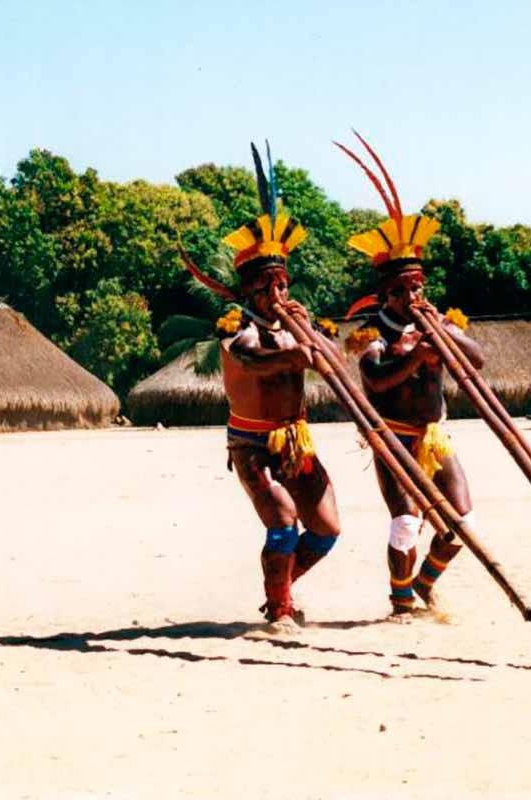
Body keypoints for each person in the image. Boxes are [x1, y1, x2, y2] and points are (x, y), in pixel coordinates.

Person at [180, 142, 340, 635]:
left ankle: (280, 592)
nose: (278, 295)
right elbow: (257, 360)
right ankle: (280, 612)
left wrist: (312, 338)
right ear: (249, 290)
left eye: (283, 285)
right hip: (251, 443)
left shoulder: (301, 324)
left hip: (296, 441)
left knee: (327, 530)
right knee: (284, 520)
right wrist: (300, 350)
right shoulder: (236, 328)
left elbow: (333, 365)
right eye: (268, 287)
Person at [337, 132, 485, 621]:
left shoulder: (439, 323)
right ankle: (400, 601)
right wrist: (412, 354)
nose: (414, 296)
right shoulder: (371, 333)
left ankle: (425, 581)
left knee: (462, 519)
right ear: (386, 295)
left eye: (419, 286)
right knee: (406, 523)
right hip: (394, 438)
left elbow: (476, 361)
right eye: (404, 290)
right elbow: (375, 384)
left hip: (434, 435)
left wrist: (439, 334)